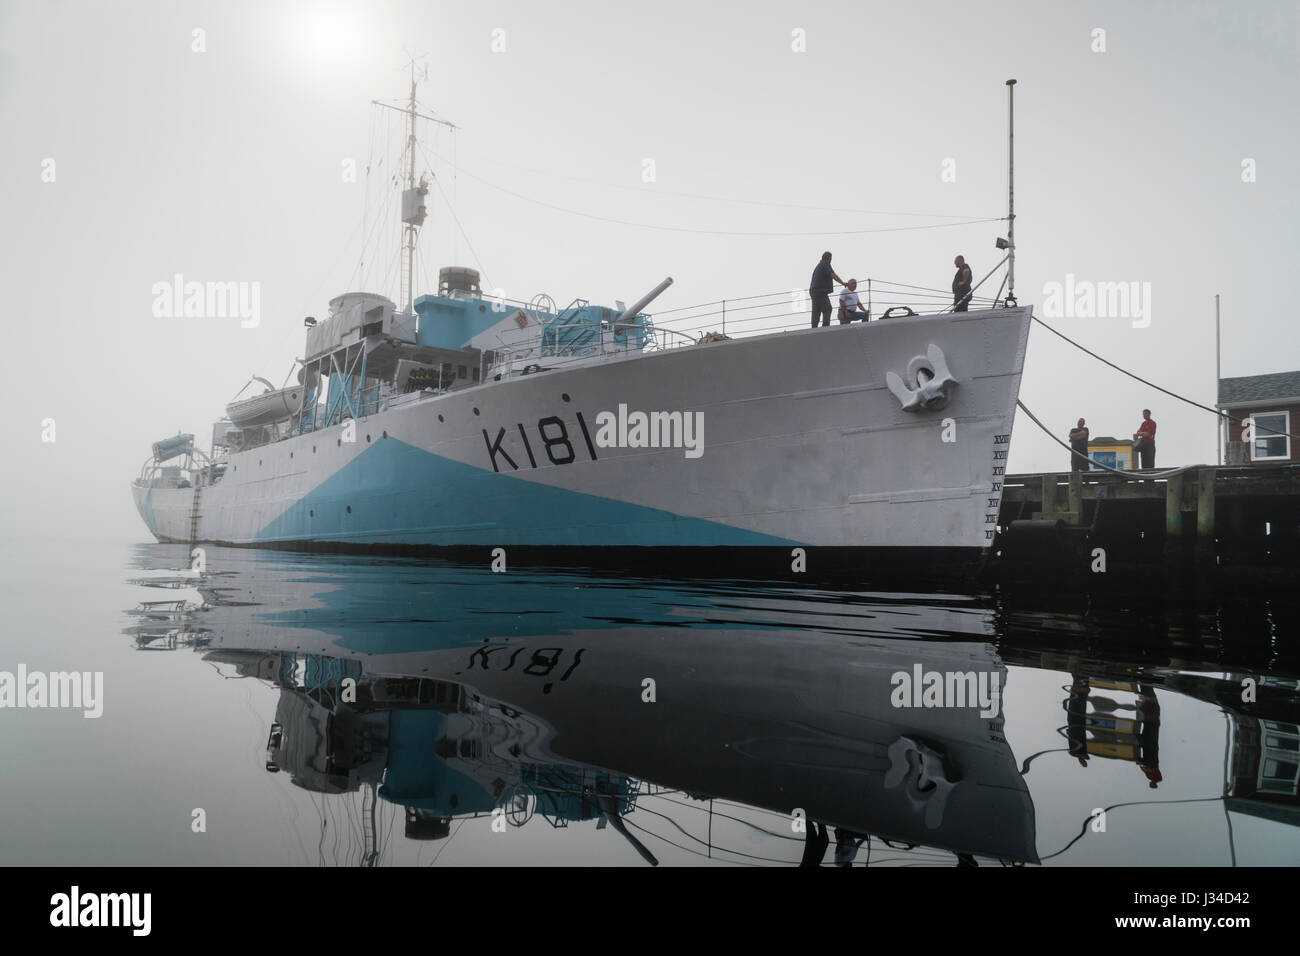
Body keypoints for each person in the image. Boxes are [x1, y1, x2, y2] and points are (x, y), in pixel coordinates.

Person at [809, 251, 844, 328]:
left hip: (813, 291)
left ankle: (814, 328)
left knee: (816, 310)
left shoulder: (819, 265)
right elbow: (833, 275)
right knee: (828, 308)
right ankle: (825, 327)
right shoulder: (825, 264)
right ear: (829, 258)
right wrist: (843, 283)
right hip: (820, 291)